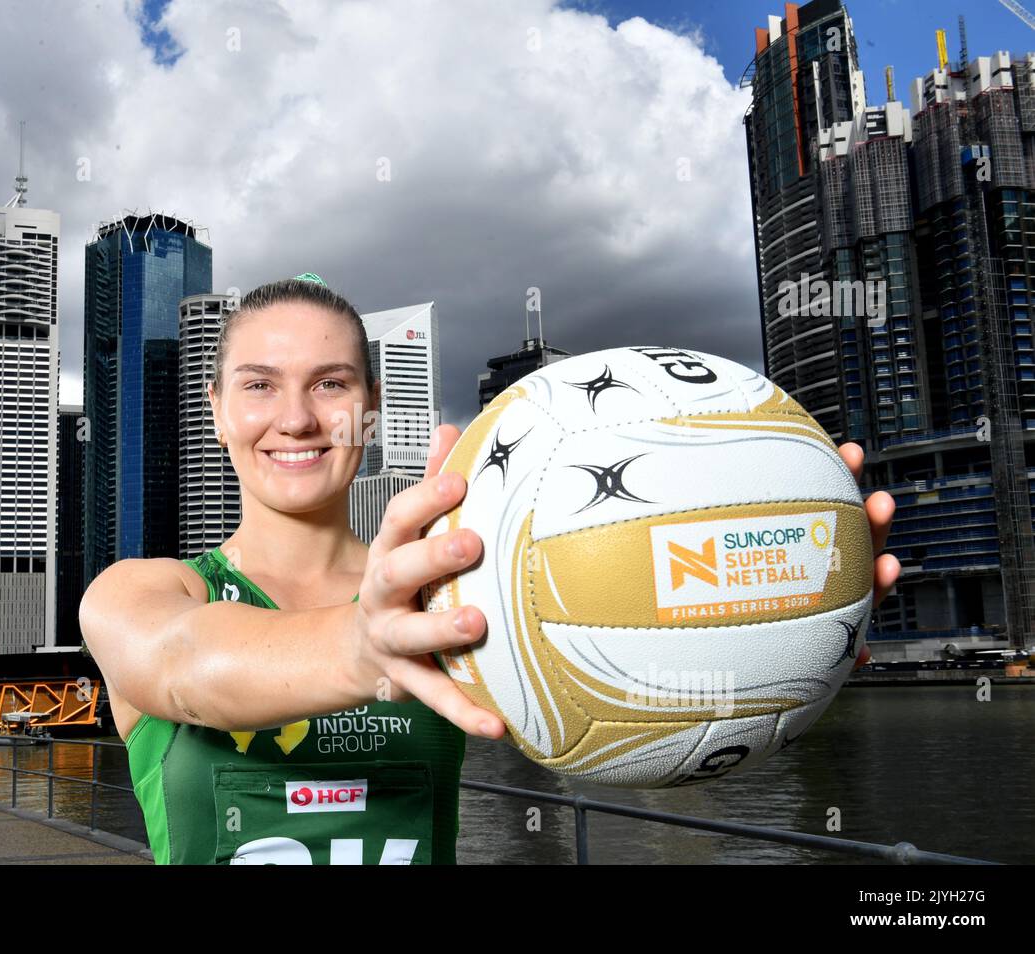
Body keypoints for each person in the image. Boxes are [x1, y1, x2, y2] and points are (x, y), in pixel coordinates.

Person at [79, 273, 902, 865]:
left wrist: (783, 616)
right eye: (260, 385)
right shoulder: (146, 592)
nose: (295, 418)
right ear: (218, 408)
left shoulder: (473, 594)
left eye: (330, 385)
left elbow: (633, 730)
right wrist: (367, 649)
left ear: (369, 409)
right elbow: (184, 667)